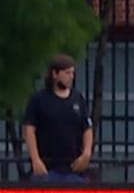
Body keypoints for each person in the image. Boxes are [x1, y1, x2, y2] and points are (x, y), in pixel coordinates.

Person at [22, 53, 93, 182]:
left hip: (73, 169)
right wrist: (35, 160)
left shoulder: (78, 98)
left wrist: (86, 153)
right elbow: (29, 130)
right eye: (67, 73)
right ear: (55, 74)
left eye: (72, 73)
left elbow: (87, 128)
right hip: (47, 169)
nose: (71, 77)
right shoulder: (39, 100)